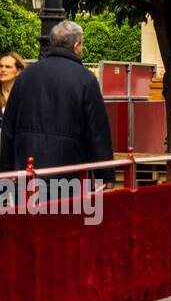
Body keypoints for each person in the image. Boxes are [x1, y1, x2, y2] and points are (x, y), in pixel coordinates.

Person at [0, 21, 113, 185]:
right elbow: (97, 133)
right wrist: (105, 176)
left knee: (27, 211)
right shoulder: (86, 79)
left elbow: (9, 126)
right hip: (68, 175)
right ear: (76, 46)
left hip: (27, 174)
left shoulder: (25, 76)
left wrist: (6, 169)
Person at [0, 51, 26, 157]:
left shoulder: (25, 96)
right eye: (0, 66)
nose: (2, 70)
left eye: (8, 67)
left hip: (16, 152)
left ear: (18, 71)